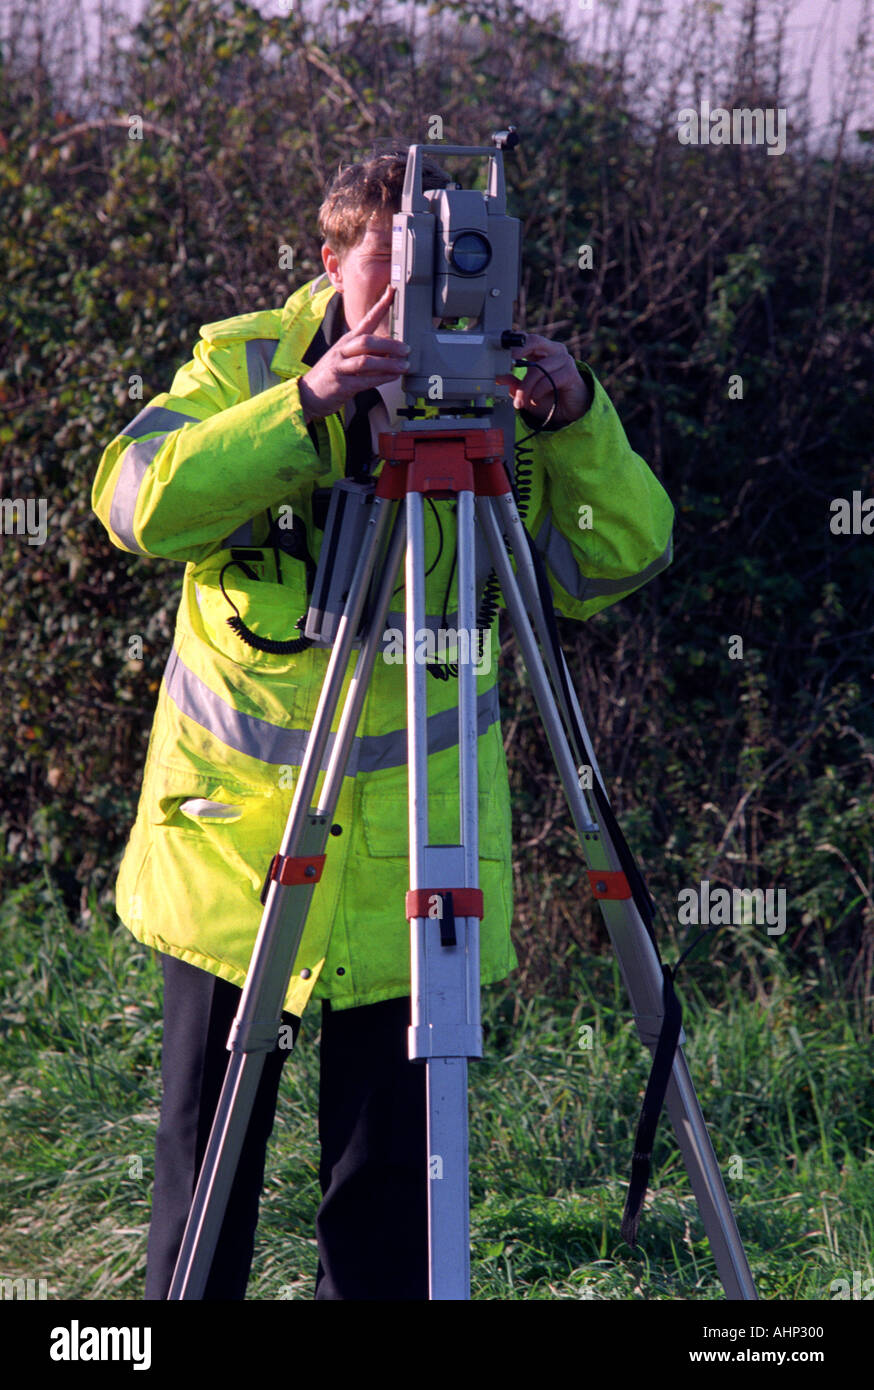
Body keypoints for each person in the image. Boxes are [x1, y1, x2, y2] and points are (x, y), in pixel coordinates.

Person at [92, 148, 674, 1301]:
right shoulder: (245, 360)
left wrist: (573, 421)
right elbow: (136, 503)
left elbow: (618, 558)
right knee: (201, 1204)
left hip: (417, 877)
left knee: (386, 1227)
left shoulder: (493, 404)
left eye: (445, 276)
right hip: (232, 870)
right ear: (328, 264)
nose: (419, 309)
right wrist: (305, 406)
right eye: (388, 274)